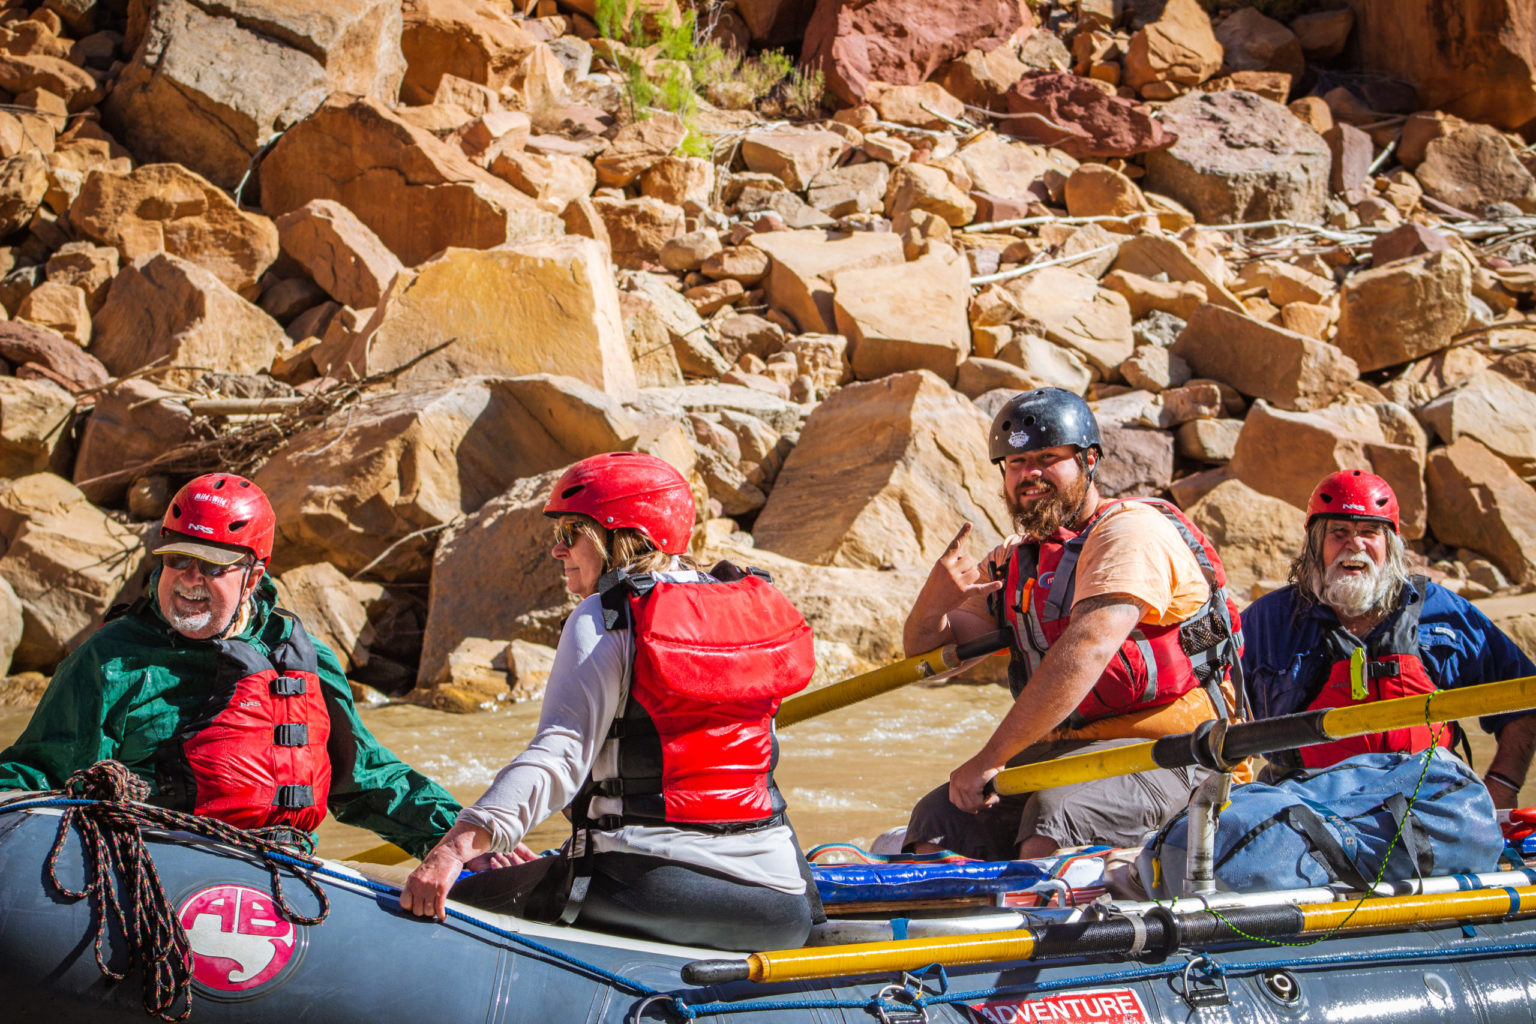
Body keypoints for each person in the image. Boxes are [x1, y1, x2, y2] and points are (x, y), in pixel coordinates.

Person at [401, 452, 818, 951]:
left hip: (653, 889)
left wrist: (454, 850)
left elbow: (557, 758)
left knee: (440, 912)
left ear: (615, 537)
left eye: (570, 534)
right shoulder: (746, 611)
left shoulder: (607, 616)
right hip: (782, 904)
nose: (558, 551)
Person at [0, 473, 461, 859]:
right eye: (177, 559)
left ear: (254, 576)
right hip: (161, 872)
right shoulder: (111, 661)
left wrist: (460, 835)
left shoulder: (304, 658)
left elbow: (367, 780)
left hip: (282, 874)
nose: (189, 578)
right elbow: (38, 775)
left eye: (212, 566)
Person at [902, 387, 1244, 861]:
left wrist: (990, 759)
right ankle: (945, 921)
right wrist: (932, 604)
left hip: (1178, 754)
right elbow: (931, 664)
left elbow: (1087, 651)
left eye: (1047, 457)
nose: (1030, 474)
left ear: (1089, 460)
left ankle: (1034, 924)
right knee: (939, 817)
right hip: (1069, 756)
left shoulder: (1129, 532)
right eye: (1017, 463)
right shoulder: (1011, 560)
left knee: (1055, 812)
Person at [1240, 469, 1536, 806]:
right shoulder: (1265, 622)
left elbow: (1524, 699)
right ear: (1314, 543)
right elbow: (1212, 716)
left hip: (1429, 813)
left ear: (1390, 545)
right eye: (1338, 532)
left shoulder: (1443, 613)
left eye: (1369, 532)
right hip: (1309, 817)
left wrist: (1501, 788)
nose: (1354, 544)